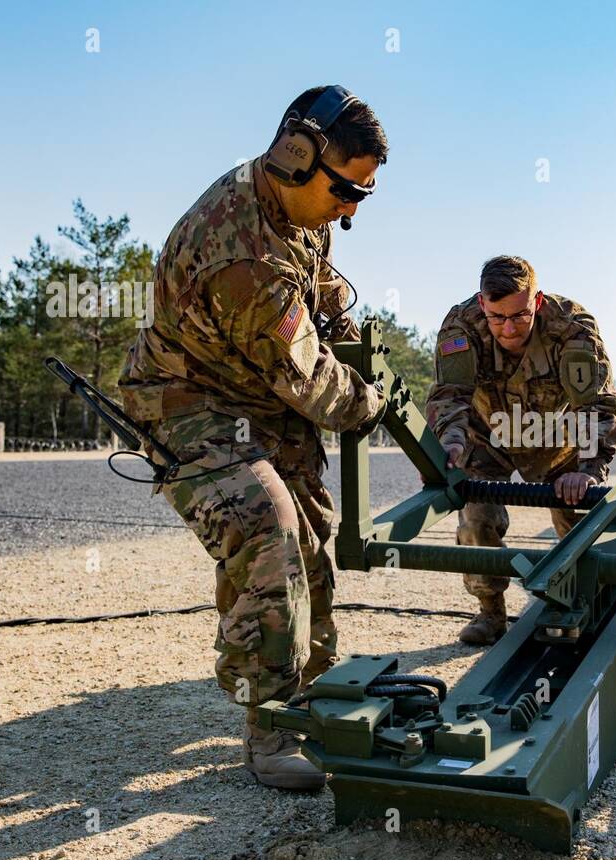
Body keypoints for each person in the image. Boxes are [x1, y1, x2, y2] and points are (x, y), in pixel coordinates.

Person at [118, 86, 389, 789]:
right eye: (346, 190)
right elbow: (309, 382)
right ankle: (270, 723)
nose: (352, 209)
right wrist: (371, 401)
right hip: (189, 405)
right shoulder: (239, 252)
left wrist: (351, 337)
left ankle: (315, 692)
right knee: (268, 529)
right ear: (296, 156)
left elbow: (321, 285)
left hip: (258, 397)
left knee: (312, 530)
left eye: (364, 194)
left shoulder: (305, 208)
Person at [426, 256, 616, 645]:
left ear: (536, 302)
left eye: (519, 316)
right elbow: (450, 395)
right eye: (497, 317)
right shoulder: (461, 325)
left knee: (579, 520)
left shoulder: (571, 327)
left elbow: (600, 405)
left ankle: (578, 604)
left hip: (558, 436)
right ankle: (490, 613)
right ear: (482, 304)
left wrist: (589, 468)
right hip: (490, 435)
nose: (507, 328)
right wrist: (449, 443)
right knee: (476, 518)